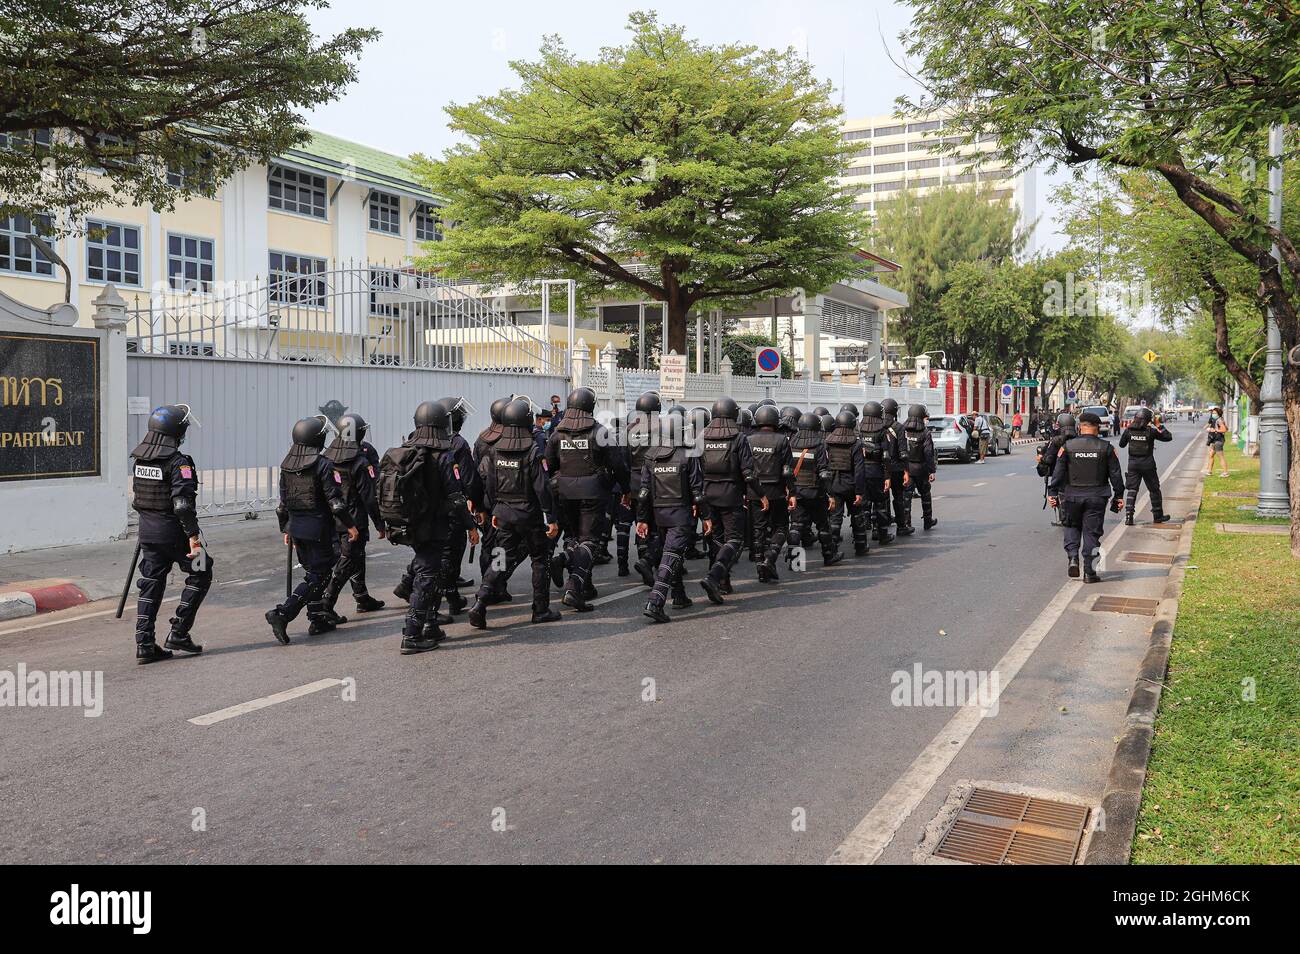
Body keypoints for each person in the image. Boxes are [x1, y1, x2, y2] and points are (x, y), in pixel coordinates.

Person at [376, 401, 468, 654]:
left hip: (411, 524)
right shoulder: (443, 455)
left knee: (427, 570)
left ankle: (430, 626)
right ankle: (412, 633)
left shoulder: (407, 451)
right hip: (435, 525)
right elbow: (456, 496)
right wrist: (470, 525)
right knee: (427, 577)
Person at [467, 399, 563, 629]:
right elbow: (542, 487)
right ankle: (540, 609)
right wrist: (550, 517)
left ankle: (480, 601)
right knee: (540, 560)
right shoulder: (533, 451)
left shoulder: (495, 449)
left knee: (501, 558)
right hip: (530, 517)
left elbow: (489, 484)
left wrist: (495, 508)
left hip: (504, 515)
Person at [129, 404, 211, 664]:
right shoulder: (179, 463)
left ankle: (144, 644)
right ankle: (179, 632)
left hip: (148, 534)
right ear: (176, 432)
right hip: (175, 535)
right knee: (202, 571)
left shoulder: (141, 460)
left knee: (150, 584)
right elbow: (183, 506)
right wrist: (194, 538)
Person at [266, 417, 357, 644]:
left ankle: (318, 618)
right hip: (319, 529)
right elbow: (335, 503)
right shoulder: (323, 464)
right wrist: (350, 525)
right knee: (319, 575)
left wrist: (285, 528)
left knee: (314, 572)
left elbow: (283, 504)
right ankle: (283, 613)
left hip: (297, 528)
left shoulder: (287, 465)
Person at [545, 386, 628, 612]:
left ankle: (584, 583)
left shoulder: (556, 434)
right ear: (590, 406)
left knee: (574, 537)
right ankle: (572, 585)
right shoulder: (599, 432)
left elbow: (549, 466)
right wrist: (625, 488)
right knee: (590, 541)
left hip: (563, 494)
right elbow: (617, 464)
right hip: (592, 494)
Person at [637, 406, 709, 624]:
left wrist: (642, 518)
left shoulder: (651, 456)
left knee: (673, 553)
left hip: (660, 514)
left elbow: (643, 492)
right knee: (671, 555)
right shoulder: (689, 453)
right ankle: (655, 602)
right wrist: (706, 517)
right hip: (680, 513)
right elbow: (697, 490)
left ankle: (679, 595)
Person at [320, 412, 387, 624]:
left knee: (356, 557)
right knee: (348, 561)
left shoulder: (326, 457)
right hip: (354, 519)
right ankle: (326, 603)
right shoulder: (359, 461)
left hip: (333, 518)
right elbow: (369, 496)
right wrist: (380, 523)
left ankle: (362, 596)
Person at [1048, 411, 1124, 583]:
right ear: (1098, 428)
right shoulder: (1107, 448)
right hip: (1097, 497)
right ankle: (1089, 572)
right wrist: (1118, 496)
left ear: (1080, 427)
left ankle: (1073, 558)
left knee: (1071, 527)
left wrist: (1052, 494)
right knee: (1092, 534)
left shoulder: (1067, 447)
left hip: (1071, 496)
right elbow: (1116, 476)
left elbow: (1057, 474)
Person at [697, 397, 757, 603]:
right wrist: (760, 495)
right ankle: (714, 577)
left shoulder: (701, 437)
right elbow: (748, 473)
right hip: (731, 495)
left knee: (715, 539)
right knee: (733, 540)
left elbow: (694, 472)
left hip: (706, 495)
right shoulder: (739, 438)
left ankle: (723, 581)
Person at [787, 412, 844, 567]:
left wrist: (790, 490)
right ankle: (829, 556)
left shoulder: (791, 443)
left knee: (796, 525)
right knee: (823, 525)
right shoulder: (819, 445)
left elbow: (786, 470)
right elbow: (824, 473)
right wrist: (830, 494)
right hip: (815, 492)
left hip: (797, 492)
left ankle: (795, 562)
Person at [747, 404, 794, 582]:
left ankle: (762, 570)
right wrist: (793, 492)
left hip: (754, 492)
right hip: (776, 492)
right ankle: (770, 558)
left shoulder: (748, 440)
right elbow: (788, 471)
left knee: (758, 530)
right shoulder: (782, 440)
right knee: (781, 527)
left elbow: (745, 468)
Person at [627, 392, 662, 587]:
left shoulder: (629, 429)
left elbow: (623, 460)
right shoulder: (663, 429)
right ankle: (650, 561)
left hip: (634, 483)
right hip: (657, 483)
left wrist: (624, 489)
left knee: (640, 525)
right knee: (658, 527)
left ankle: (644, 562)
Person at [825, 409, 870, 556]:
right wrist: (859, 492)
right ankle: (861, 546)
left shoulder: (828, 441)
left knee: (835, 518)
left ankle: (832, 550)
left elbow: (824, 465)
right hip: (851, 485)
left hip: (834, 485)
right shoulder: (855, 443)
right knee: (857, 516)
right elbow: (859, 470)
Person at [1118, 407, 1173, 525]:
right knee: (1154, 489)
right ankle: (1158, 516)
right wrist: (1159, 425)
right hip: (1148, 465)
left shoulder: (1128, 430)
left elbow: (1121, 445)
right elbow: (1168, 437)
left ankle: (1129, 517)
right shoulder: (1151, 431)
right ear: (1148, 420)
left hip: (1133, 464)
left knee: (1132, 490)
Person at [857, 401, 895, 545]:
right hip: (877, 472)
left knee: (862, 506)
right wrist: (887, 476)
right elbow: (886, 456)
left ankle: (860, 539)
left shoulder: (858, 429)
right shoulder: (882, 430)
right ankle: (882, 535)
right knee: (880, 505)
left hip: (861, 472)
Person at [900, 404, 938, 531]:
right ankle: (928, 520)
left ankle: (906, 522)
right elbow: (928, 453)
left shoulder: (903, 430)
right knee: (925, 494)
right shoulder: (925, 432)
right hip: (921, 468)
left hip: (906, 468)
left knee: (906, 497)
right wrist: (931, 470)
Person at [880, 398, 912, 535]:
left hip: (881, 469)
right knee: (898, 497)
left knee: (882, 498)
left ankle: (882, 525)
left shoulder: (877, 426)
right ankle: (901, 526)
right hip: (896, 468)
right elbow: (903, 452)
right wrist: (906, 470)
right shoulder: (899, 427)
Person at [1206, 406, 1229, 476]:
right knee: (1211, 455)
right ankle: (1209, 471)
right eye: (1213, 413)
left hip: (1218, 440)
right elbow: (1227, 428)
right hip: (1214, 440)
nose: (1213, 414)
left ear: (1218, 414)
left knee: (1220, 456)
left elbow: (1224, 430)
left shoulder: (1219, 420)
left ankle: (1225, 473)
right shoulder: (1217, 420)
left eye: (1215, 413)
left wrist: (1215, 430)